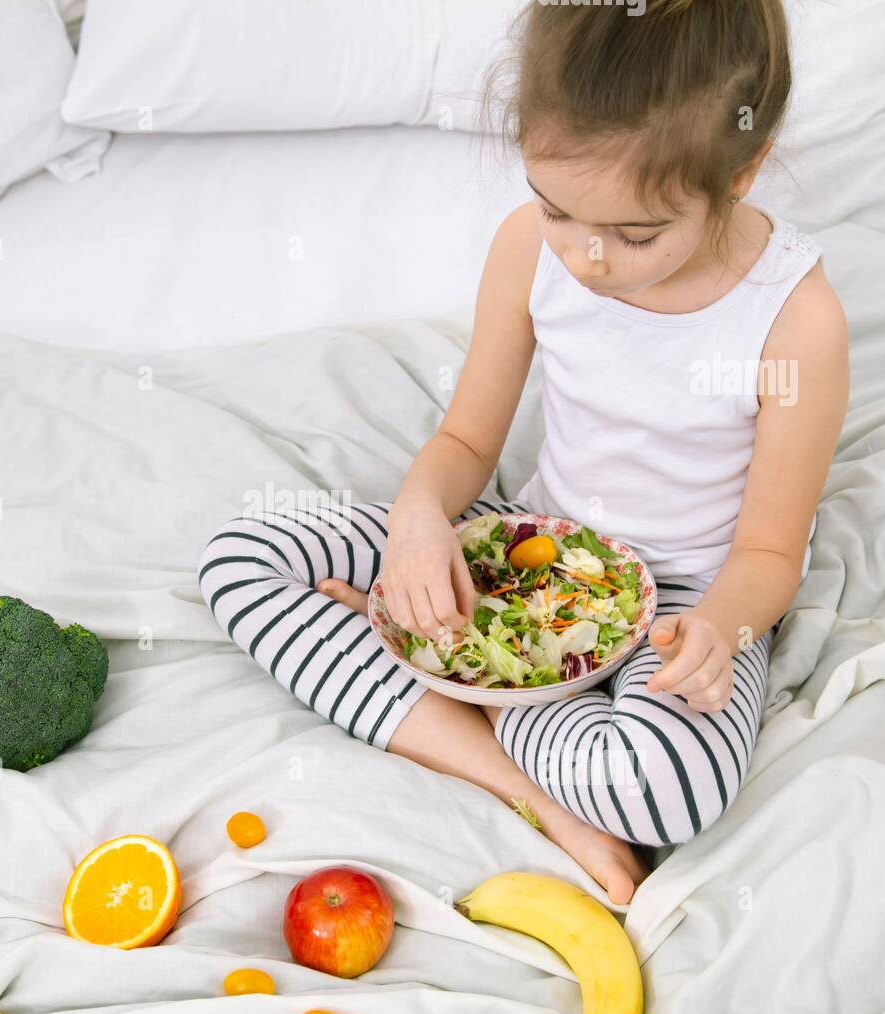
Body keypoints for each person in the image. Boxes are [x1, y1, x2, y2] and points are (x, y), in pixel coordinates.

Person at [197, 0, 849, 904]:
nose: (586, 258)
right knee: (247, 552)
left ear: (742, 172)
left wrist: (720, 632)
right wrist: (421, 519)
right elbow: (467, 438)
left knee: (664, 786)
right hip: (530, 547)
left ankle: (460, 704)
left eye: (636, 235)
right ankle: (529, 787)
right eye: (557, 210)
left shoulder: (795, 318)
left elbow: (771, 553)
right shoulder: (525, 250)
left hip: (692, 593)